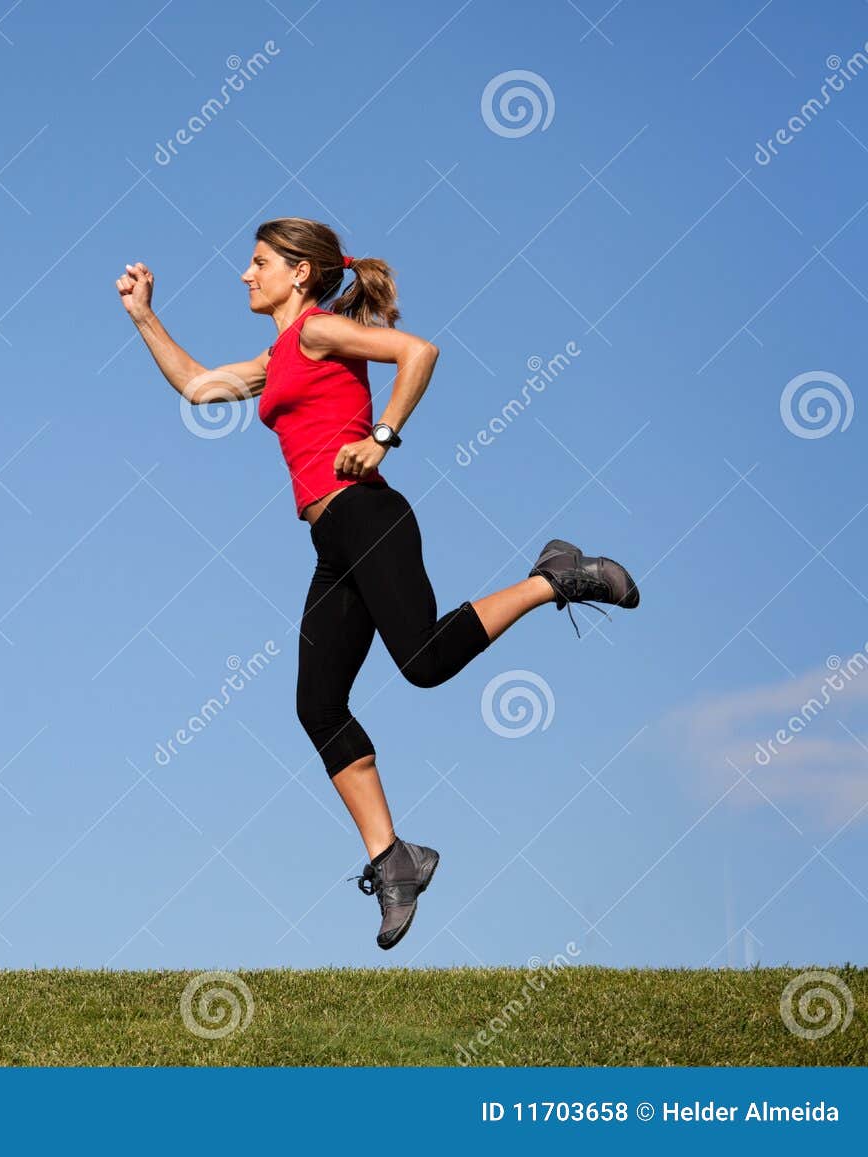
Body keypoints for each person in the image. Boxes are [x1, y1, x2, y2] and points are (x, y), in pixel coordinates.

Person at [114, 217, 640, 950]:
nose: (245, 273)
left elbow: (417, 351)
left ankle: (555, 578)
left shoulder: (319, 333)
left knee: (422, 660)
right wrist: (143, 313)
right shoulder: (281, 354)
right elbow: (201, 387)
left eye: (258, 262)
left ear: (300, 273)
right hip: (334, 538)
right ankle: (394, 857)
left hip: (369, 515)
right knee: (318, 705)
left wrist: (382, 434)